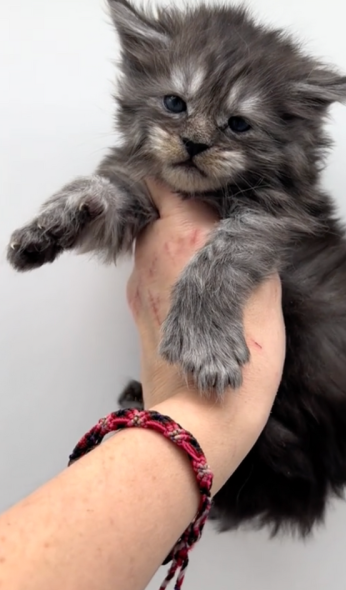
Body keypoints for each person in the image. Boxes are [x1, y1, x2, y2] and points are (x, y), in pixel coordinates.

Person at [0, 179, 287, 590]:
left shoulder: (271, 196)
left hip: (289, 429)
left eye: (238, 123)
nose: (197, 136)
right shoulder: (149, 168)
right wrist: (89, 203)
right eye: (176, 107)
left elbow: (273, 223)